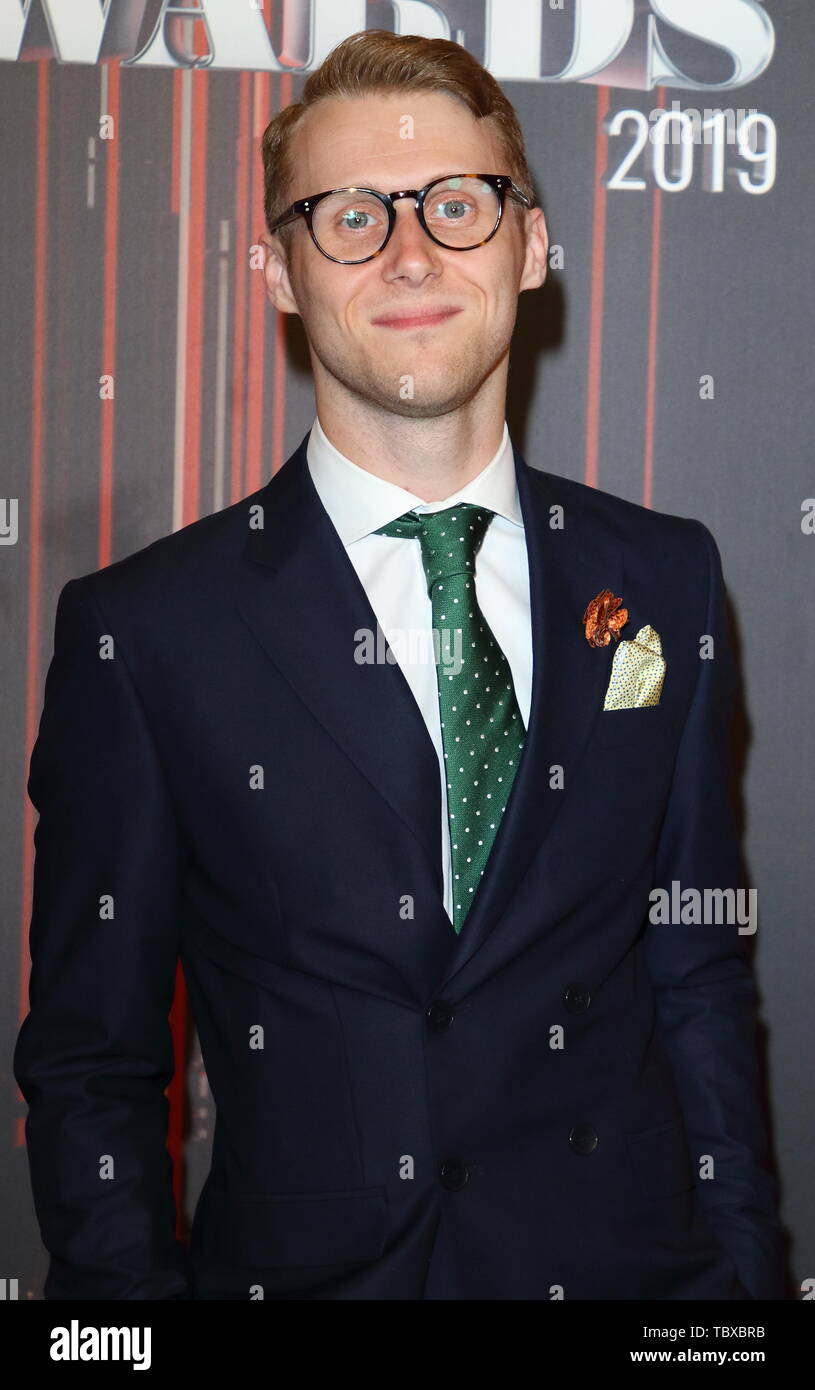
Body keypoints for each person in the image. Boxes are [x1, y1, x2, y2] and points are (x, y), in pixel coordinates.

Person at [14, 28, 785, 1300]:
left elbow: (692, 964)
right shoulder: (144, 634)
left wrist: (744, 1294)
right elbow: (93, 1061)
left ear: (531, 248)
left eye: (458, 204)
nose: (412, 250)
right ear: (277, 272)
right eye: (351, 215)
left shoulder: (660, 581)